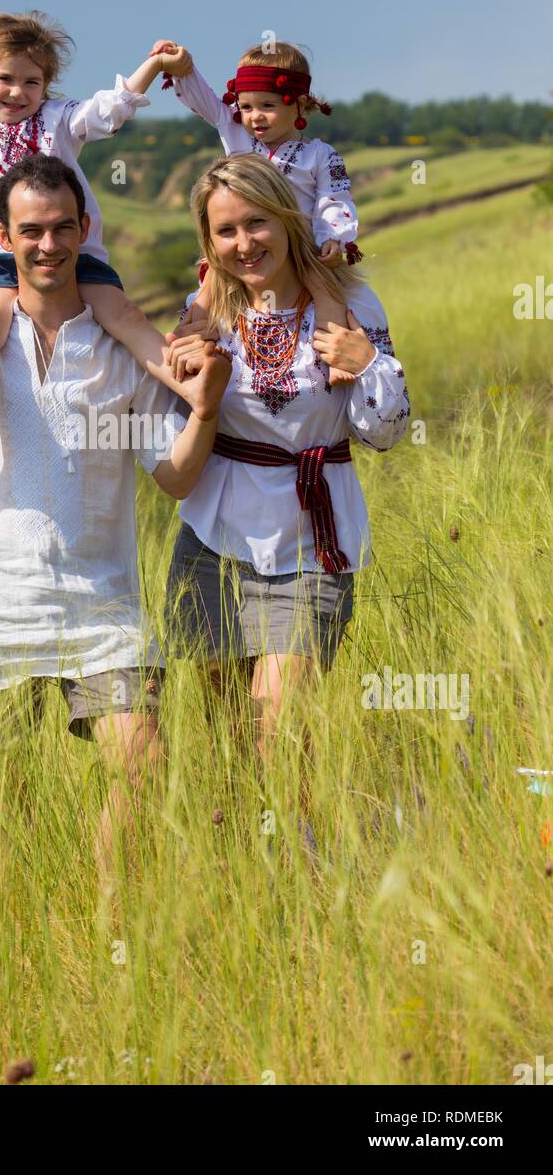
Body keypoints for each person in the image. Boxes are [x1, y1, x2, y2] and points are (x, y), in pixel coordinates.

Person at [0, 153, 231, 878]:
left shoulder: (117, 349)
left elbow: (172, 476)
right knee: (3, 812)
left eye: (60, 228)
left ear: (84, 228)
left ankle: (117, 927)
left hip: (101, 606)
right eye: (30, 231)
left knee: (142, 768)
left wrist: (202, 410)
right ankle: (14, 949)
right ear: (1, 235)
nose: (47, 246)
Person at [162, 154, 410, 841]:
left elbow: (385, 433)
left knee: (279, 724)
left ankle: (302, 871)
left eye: (257, 223)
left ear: (287, 219)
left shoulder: (351, 306)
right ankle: (240, 875)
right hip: (213, 540)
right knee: (226, 737)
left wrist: (371, 367)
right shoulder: (206, 314)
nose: (245, 243)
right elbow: (172, 431)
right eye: (226, 232)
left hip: (312, 538)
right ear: (209, 244)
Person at [0, 9, 193, 405]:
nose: (17, 92)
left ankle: (187, 387)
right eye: (5, 79)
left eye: (32, 82)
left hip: (74, 251)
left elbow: (107, 112)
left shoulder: (57, 121)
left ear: (46, 87)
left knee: (123, 313)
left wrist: (154, 64)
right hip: (3, 259)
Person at [153, 36, 361, 384]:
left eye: (267, 105)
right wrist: (184, 69)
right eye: (246, 107)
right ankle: (188, 340)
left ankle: (334, 358)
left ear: (299, 105)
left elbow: (334, 198)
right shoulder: (234, 130)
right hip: (248, 244)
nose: (254, 117)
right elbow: (206, 101)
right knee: (209, 290)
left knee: (327, 293)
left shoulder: (319, 155)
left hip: (303, 250)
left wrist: (334, 238)